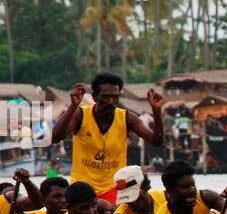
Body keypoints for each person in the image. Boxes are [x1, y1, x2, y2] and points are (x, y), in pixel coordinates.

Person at [50, 73, 165, 204]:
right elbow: (55, 138)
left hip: (114, 190)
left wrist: (156, 112)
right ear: (94, 97)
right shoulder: (81, 115)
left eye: (115, 97)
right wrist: (72, 106)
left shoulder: (127, 118)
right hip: (82, 190)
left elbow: (157, 141)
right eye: (105, 97)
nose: (111, 101)